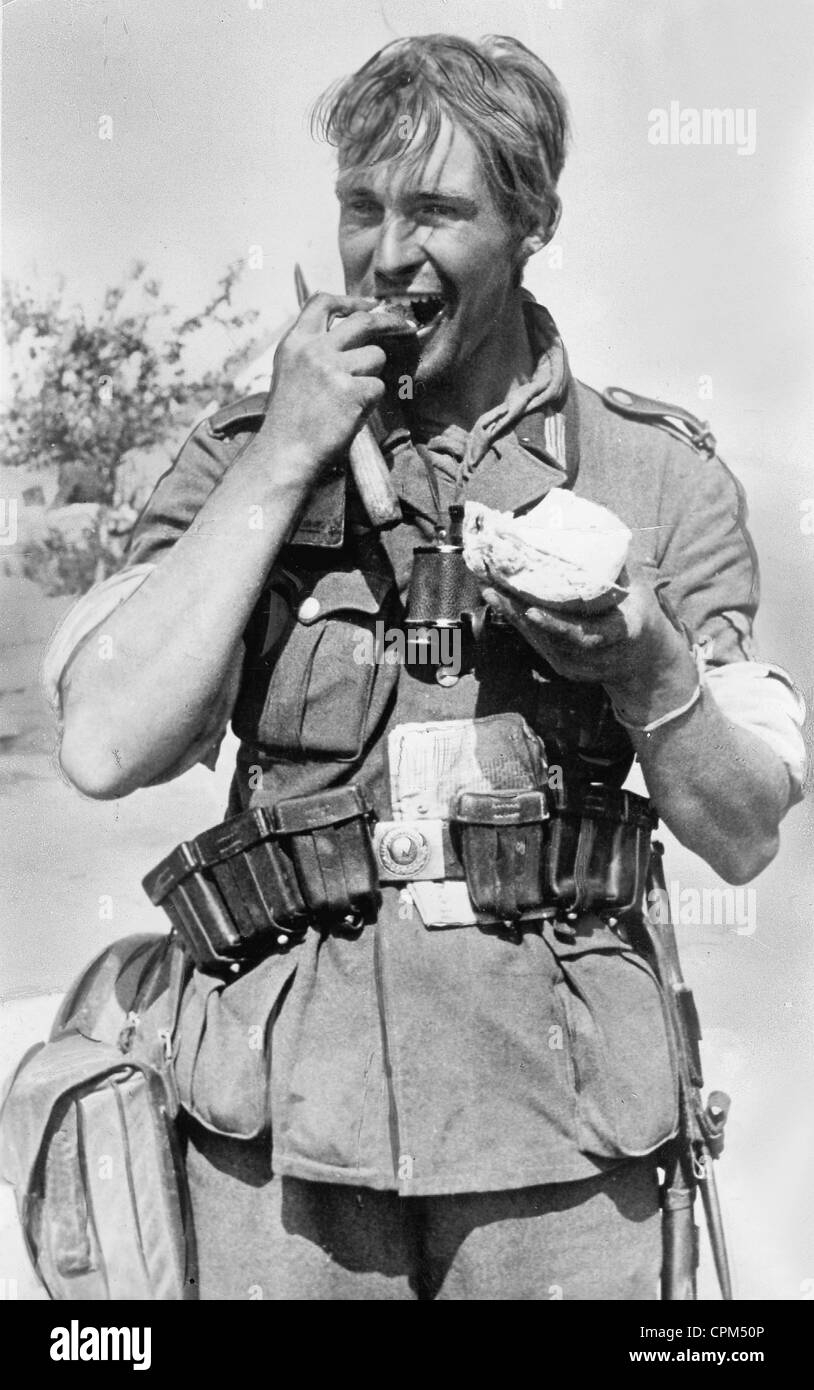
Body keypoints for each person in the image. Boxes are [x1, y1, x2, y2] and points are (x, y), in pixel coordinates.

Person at [44, 34, 805, 1300]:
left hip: (561, 1153)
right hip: (276, 1144)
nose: (387, 253)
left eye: (438, 210)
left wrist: (648, 665)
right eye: (361, 206)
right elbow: (105, 745)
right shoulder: (238, 454)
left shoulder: (657, 477)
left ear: (531, 220)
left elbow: (740, 835)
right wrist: (282, 457)